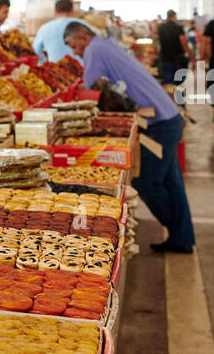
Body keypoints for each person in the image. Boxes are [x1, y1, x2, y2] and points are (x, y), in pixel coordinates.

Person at [63, 21, 196, 254]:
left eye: (72, 45)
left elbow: (91, 90)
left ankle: (176, 230)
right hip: (169, 116)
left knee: (147, 182)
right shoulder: (107, 44)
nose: (73, 51)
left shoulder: (94, 49)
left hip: (159, 123)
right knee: (171, 183)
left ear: (84, 36)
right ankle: (182, 237)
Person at [33, 0, 92, 64]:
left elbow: (35, 51)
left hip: (56, 70)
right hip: (82, 70)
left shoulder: (44, 28)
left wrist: (42, 63)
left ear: (55, 12)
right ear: (72, 11)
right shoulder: (83, 24)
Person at [156, 9, 190, 87]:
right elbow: (184, 44)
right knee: (179, 85)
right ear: (174, 16)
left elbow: (159, 44)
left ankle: (169, 99)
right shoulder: (178, 28)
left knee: (168, 86)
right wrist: (192, 58)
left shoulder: (161, 28)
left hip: (165, 59)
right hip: (178, 60)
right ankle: (178, 99)